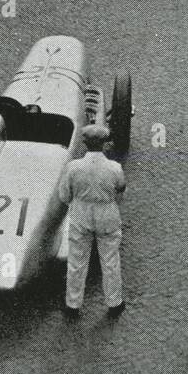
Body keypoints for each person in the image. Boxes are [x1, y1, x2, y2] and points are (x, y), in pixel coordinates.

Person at [58, 124, 126, 319]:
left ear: (85, 143)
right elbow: (121, 192)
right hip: (107, 214)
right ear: (105, 144)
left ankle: (72, 304)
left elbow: (64, 196)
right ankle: (114, 303)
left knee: (77, 261)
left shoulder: (73, 167)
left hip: (81, 214)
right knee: (110, 260)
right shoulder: (114, 168)